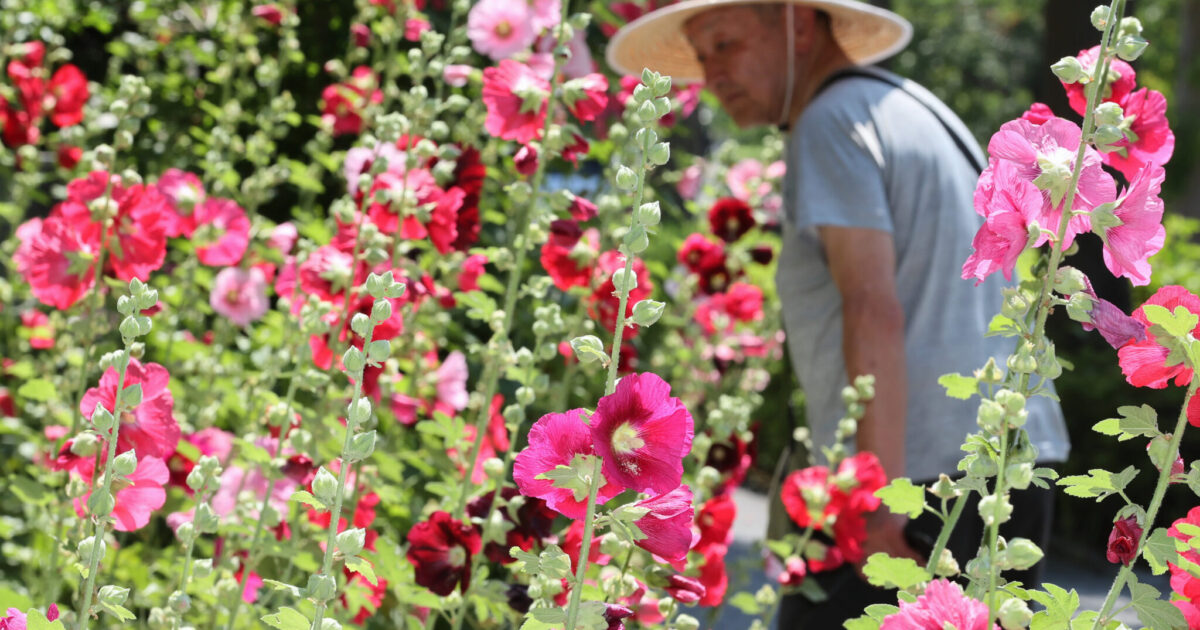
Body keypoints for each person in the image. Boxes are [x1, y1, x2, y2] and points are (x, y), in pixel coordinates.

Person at [606, 1, 1071, 626]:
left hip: (914, 491)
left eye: (724, 44)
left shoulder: (829, 121)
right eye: (701, 55)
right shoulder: (907, 107)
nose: (710, 74)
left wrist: (878, 502)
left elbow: (872, 307)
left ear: (797, 22)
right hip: (1004, 466)